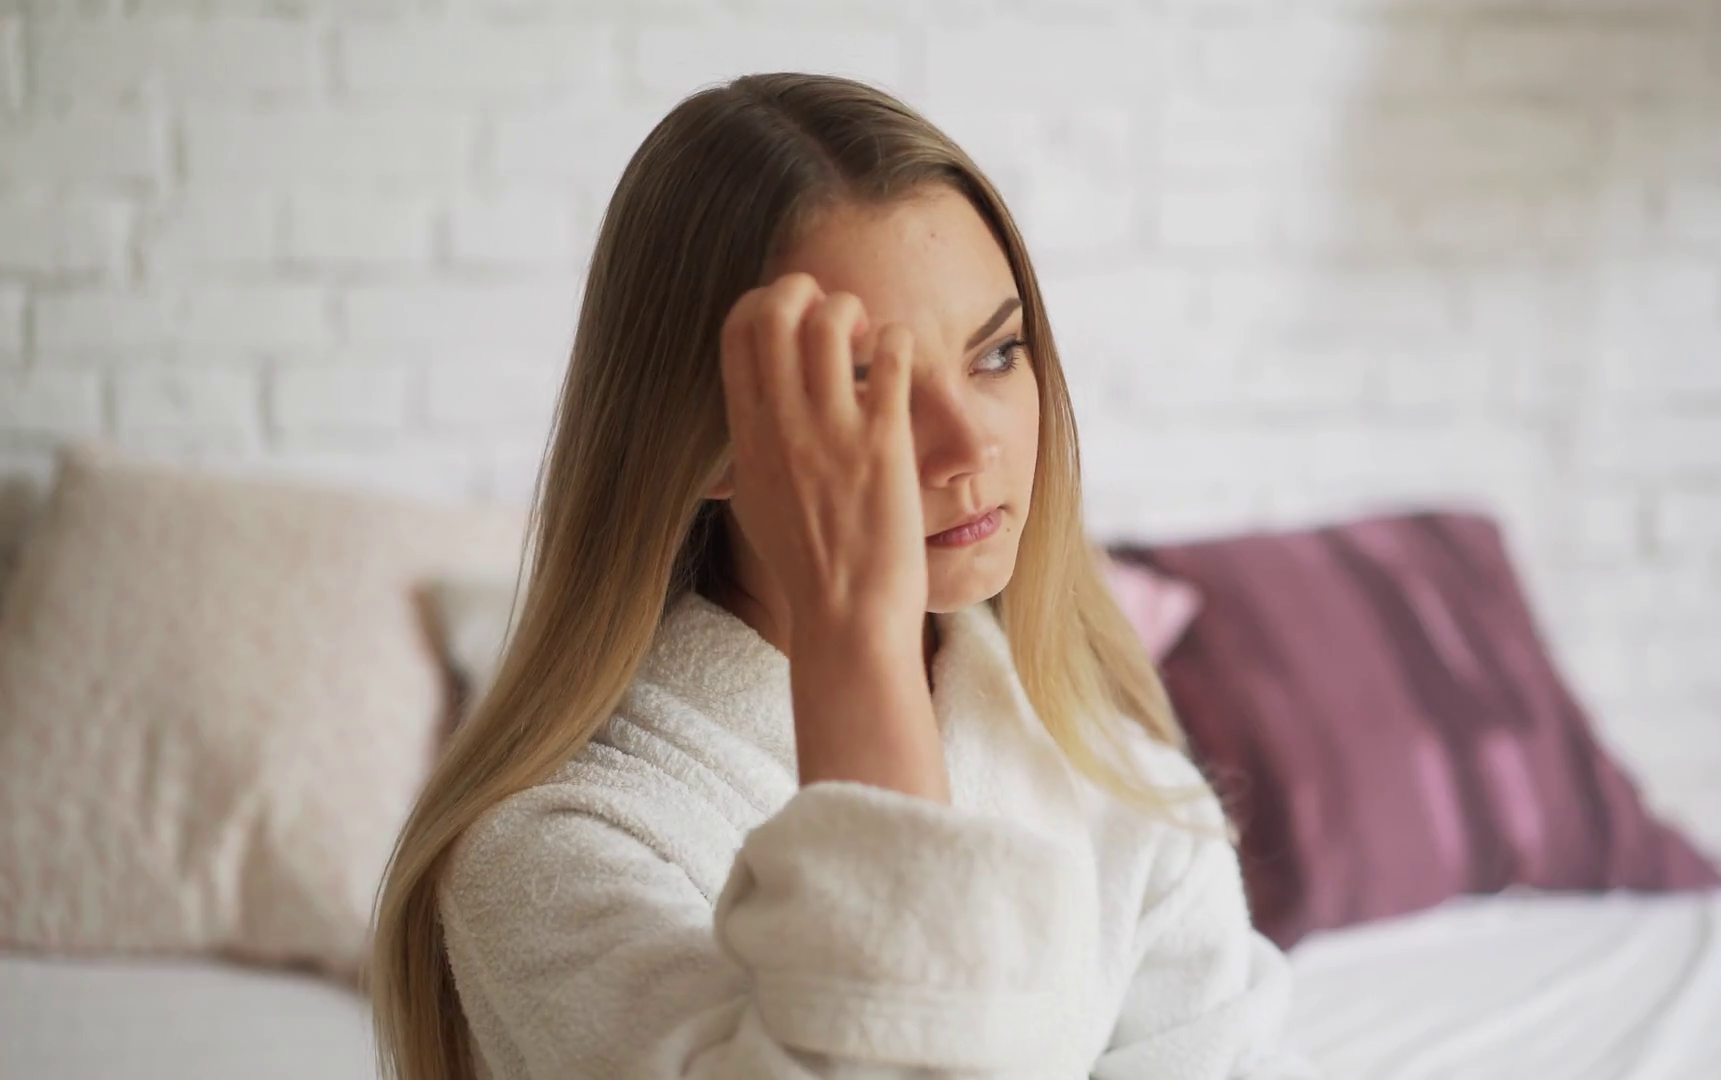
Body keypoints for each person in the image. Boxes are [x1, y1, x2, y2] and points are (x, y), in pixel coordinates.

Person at [367, 72, 1320, 1080]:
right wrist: (857, 634)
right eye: (868, 384)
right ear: (709, 444)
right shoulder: (552, 857)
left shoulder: (1114, 783)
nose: (967, 445)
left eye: (997, 354)